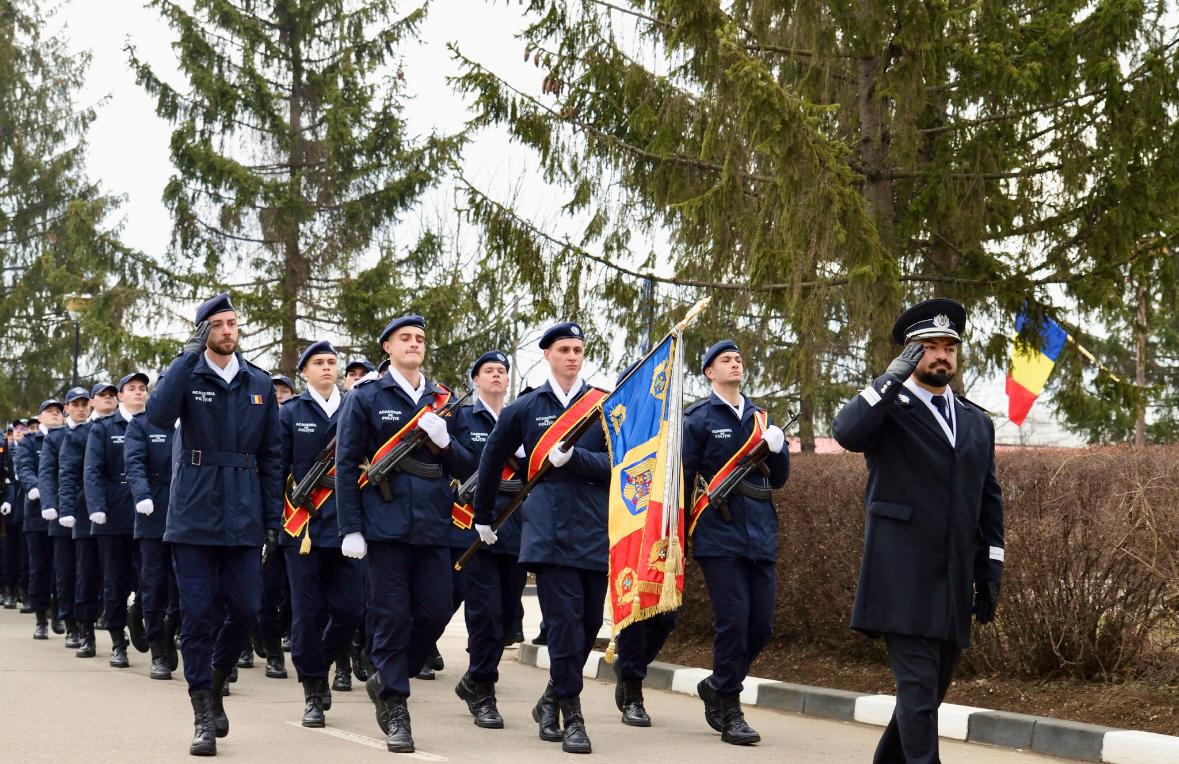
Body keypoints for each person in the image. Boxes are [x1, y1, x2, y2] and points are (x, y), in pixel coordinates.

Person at [831, 298, 1004, 764]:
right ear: (911, 352)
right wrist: (890, 377)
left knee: (925, 696)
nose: (941, 355)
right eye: (929, 346)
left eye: (950, 346)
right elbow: (846, 431)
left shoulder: (975, 421)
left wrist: (989, 571)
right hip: (900, 577)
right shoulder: (889, 408)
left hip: (951, 581)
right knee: (919, 696)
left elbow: (989, 500)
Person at [147, 293, 283, 757]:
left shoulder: (259, 383)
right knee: (199, 614)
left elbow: (271, 456)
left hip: (244, 512)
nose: (228, 330)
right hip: (194, 515)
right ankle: (203, 708)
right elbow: (159, 414)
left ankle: (218, 676)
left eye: (233, 323)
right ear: (204, 330)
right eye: (218, 324)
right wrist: (184, 358)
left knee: (246, 609)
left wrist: (272, 518)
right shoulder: (188, 374)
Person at [473, 321, 609, 755]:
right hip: (549, 531)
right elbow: (492, 458)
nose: (572, 356)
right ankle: (573, 714)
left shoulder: (602, 405)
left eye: (578, 349)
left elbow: (620, 462)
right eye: (564, 349)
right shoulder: (527, 407)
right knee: (566, 626)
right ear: (547, 355)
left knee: (587, 627)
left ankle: (550, 698)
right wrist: (482, 515)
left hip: (593, 527)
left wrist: (576, 458)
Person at [335, 315, 467, 754]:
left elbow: (468, 467)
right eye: (405, 338)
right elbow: (346, 464)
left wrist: (446, 442)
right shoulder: (366, 397)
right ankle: (396, 707)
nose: (414, 344)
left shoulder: (443, 400)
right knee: (390, 617)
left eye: (420, 339)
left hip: (432, 526)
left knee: (434, 611)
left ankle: (385, 675)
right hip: (385, 525)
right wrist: (351, 528)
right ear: (387, 346)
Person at [682, 340, 789, 746]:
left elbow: (777, 480)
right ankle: (730, 707)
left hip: (760, 532)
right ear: (709, 372)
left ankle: (717, 683)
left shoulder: (763, 419)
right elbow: (682, 478)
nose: (735, 363)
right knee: (734, 619)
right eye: (725, 360)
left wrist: (777, 450)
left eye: (739, 359)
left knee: (760, 626)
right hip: (717, 533)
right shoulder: (698, 419)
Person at [279, 340, 365, 727]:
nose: (328, 368)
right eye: (319, 362)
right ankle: (313, 687)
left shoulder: (356, 406)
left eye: (333, 362)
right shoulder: (290, 413)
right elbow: (275, 468)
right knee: (307, 614)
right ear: (305, 372)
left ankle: (321, 661)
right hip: (304, 528)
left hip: (347, 526)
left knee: (351, 611)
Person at [449, 350, 527, 730]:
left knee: (508, 617)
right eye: (488, 371)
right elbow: (458, 465)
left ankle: (474, 678)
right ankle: (484, 692)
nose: (496, 376)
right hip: (473, 528)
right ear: (475, 380)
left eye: (501, 371)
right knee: (485, 616)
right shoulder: (461, 417)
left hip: (514, 527)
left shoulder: (521, 418)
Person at [85, 372, 151, 668]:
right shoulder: (103, 428)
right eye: (131, 389)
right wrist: (97, 506)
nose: (138, 392)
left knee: (149, 577)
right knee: (115, 579)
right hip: (113, 513)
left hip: (148, 513)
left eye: (142, 388)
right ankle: (116, 639)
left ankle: (137, 613)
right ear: (120, 396)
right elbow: (93, 470)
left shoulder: (155, 423)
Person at [124, 371, 181, 679]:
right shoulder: (142, 424)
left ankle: (170, 625)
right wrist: (142, 495)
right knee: (155, 582)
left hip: (189, 511)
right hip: (153, 512)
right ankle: (158, 647)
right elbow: (134, 463)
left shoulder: (193, 421)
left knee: (187, 583)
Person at [58, 382, 114, 659]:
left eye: (111, 396)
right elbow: (68, 474)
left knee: (118, 574)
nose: (108, 400)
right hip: (84, 512)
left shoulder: (126, 429)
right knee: (86, 574)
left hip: (117, 513)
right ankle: (84, 631)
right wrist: (66, 508)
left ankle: (117, 619)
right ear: (94, 401)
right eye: (102, 396)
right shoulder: (80, 434)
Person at [40, 387, 92, 648]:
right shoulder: (56, 437)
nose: (81, 408)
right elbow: (48, 473)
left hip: (89, 511)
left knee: (86, 571)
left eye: (85, 403)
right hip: (63, 512)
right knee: (66, 572)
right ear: (67, 409)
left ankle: (86, 621)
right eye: (76, 404)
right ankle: (70, 622)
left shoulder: (96, 431)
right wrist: (50, 504)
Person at [15, 399, 65, 640]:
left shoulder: (68, 437)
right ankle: (40, 617)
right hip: (36, 513)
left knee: (61, 567)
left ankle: (59, 612)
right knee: (39, 567)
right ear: (40, 416)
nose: (55, 415)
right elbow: (24, 467)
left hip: (62, 511)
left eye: (58, 412)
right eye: (50, 412)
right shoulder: (29, 441)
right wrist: (35, 488)